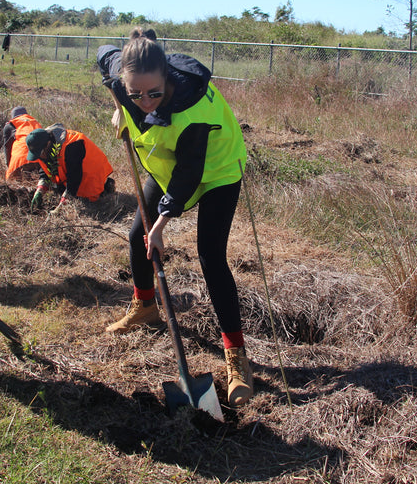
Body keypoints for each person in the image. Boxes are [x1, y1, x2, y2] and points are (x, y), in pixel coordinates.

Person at [97, 28, 253, 406]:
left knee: (210, 257)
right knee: (137, 235)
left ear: (167, 77)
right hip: (167, 165)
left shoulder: (191, 107)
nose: (145, 101)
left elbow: (188, 177)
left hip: (214, 171)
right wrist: (120, 104)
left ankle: (236, 356)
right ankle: (146, 306)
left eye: (153, 93)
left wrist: (162, 226)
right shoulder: (123, 76)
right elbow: (103, 53)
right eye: (135, 93)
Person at [24, 123, 115, 208]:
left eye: (40, 154)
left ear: (48, 145)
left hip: (91, 171)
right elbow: (46, 168)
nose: (40, 157)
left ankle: (106, 186)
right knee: (59, 189)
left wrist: (62, 204)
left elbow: (74, 177)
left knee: (90, 198)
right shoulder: (43, 145)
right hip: (73, 172)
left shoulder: (72, 145)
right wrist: (39, 190)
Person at [2, 106, 43, 180]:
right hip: (41, 160)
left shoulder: (10, 125)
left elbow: (7, 147)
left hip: (22, 159)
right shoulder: (35, 122)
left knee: (15, 180)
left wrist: (10, 167)